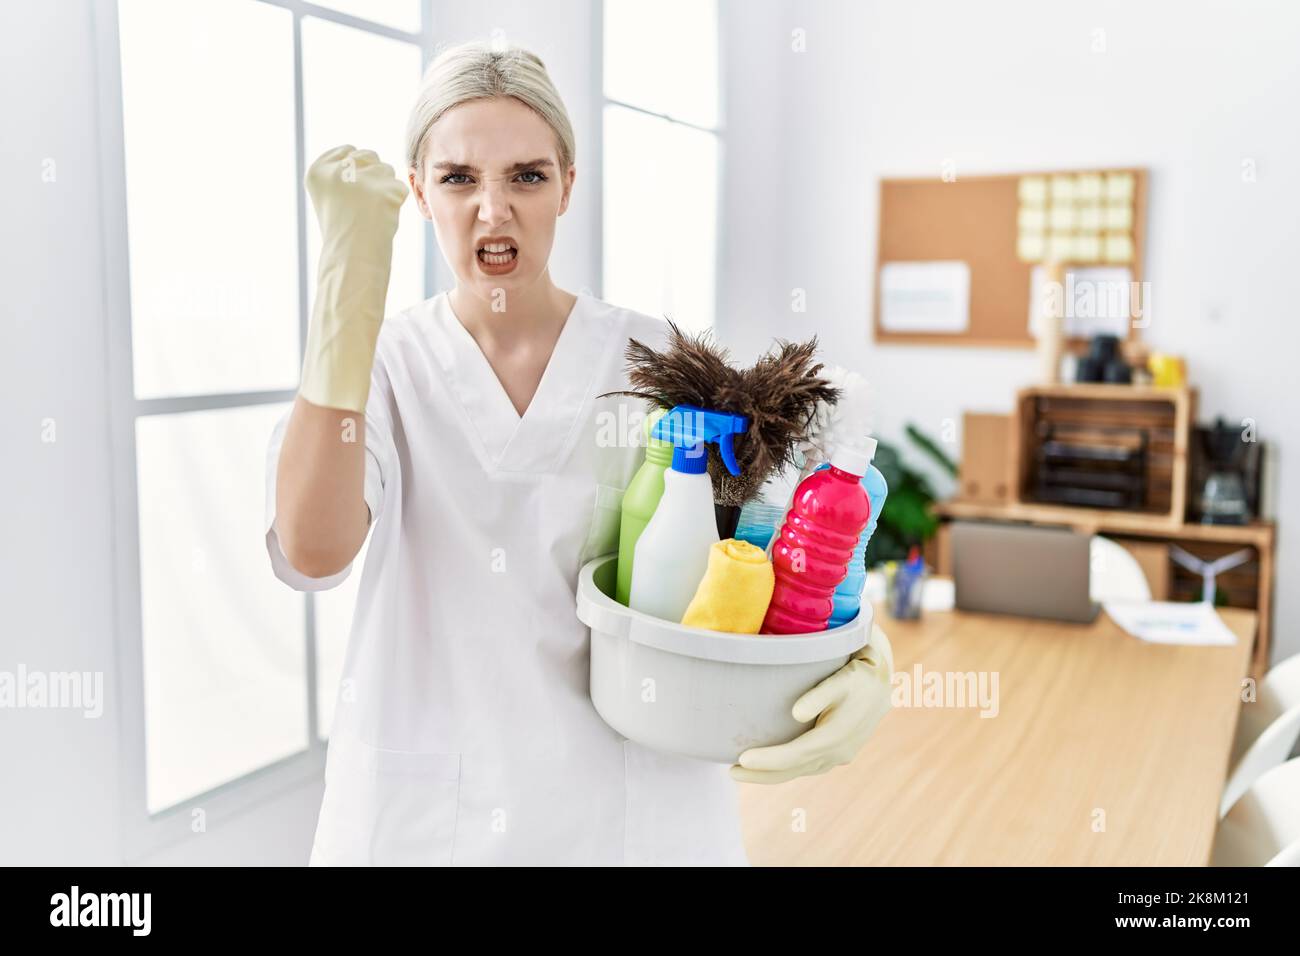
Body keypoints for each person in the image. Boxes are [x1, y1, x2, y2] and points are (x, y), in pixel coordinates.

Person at [265, 40, 893, 866]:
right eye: (458, 178)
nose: (494, 210)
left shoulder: (653, 356)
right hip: (434, 813)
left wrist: (859, 649)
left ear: (568, 184)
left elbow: (768, 544)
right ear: (418, 193)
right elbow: (314, 552)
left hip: (631, 805)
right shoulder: (376, 366)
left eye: (526, 176)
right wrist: (343, 303)